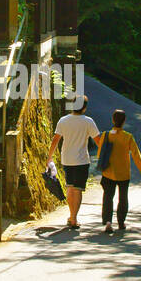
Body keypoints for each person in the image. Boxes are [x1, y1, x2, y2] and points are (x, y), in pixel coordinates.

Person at [48, 95, 101, 228]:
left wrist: (49, 157)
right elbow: (99, 141)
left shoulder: (63, 120)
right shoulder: (88, 121)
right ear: (84, 107)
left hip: (66, 159)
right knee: (77, 190)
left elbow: (55, 140)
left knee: (70, 188)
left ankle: (71, 216)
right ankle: (73, 218)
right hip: (82, 160)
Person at [99, 109, 141, 233]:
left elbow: (100, 153)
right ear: (124, 121)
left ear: (113, 120)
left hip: (108, 172)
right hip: (123, 173)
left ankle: (108, 222)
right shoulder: (128, 137)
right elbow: (136, 155)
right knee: (123, 198)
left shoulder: (106, 135)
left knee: (108, 197)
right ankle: (121, 222)